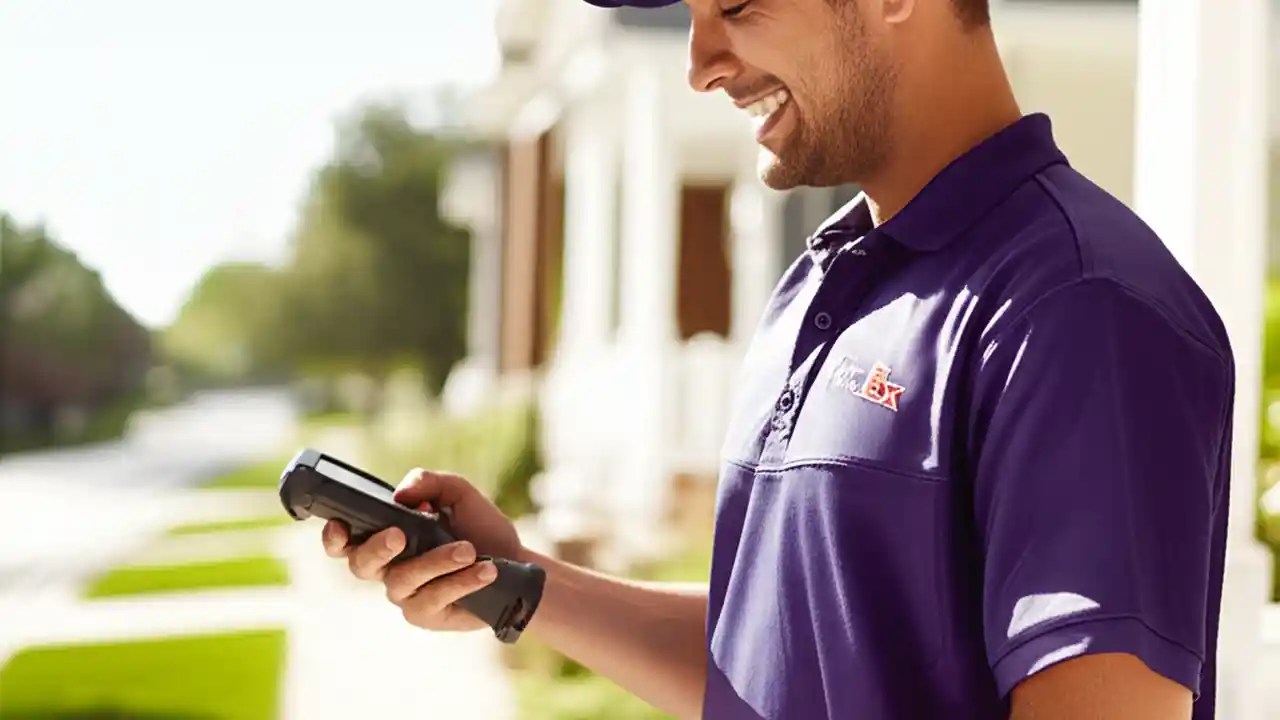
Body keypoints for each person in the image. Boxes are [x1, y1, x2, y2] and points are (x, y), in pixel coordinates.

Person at [320, 0, 1234, 717]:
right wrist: (517, 582)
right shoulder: (820, 287)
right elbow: (772, 662)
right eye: (691, 15)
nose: (700, 65)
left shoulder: (1080, 307)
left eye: (739, 6)